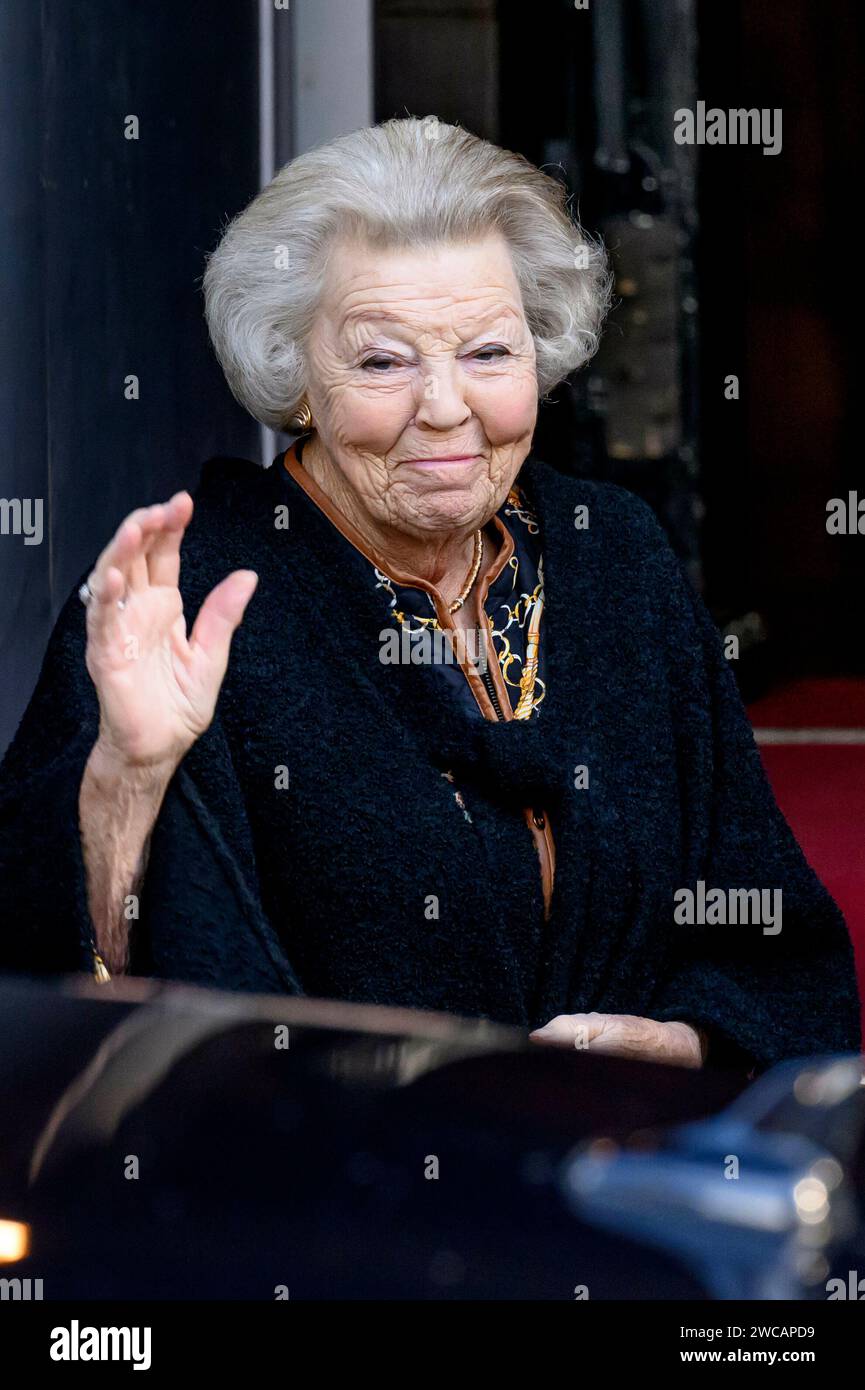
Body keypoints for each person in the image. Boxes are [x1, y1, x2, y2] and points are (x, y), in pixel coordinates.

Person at [0, 117, 859, 1076]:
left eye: (489, 353)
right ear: (295, 378)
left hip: (613, 1179)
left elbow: (768, 936)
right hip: (335, 1207)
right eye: (382, 361)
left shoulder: (613, 553)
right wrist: (129, 772)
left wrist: (687, 1045)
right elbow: (60, 1004)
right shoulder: (189, 594)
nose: (445, 407)